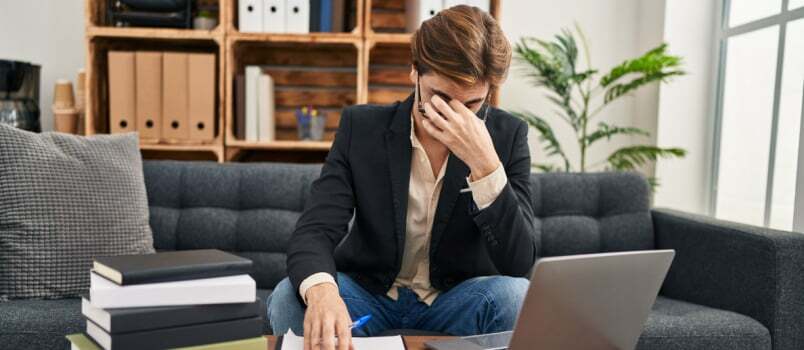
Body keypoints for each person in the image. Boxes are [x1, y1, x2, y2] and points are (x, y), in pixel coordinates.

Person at [267, 5, 537, 350]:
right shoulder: (360, 128)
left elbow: (519, 263)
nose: (450, 118)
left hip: (455, 299)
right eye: (439, 99)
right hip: (370, 294)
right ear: (414, 72)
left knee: (516, 296)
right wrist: (322, 292)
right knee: (290, 296)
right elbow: (316, 229)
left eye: (470, 105)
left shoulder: (508, 135)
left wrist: (484, 164)